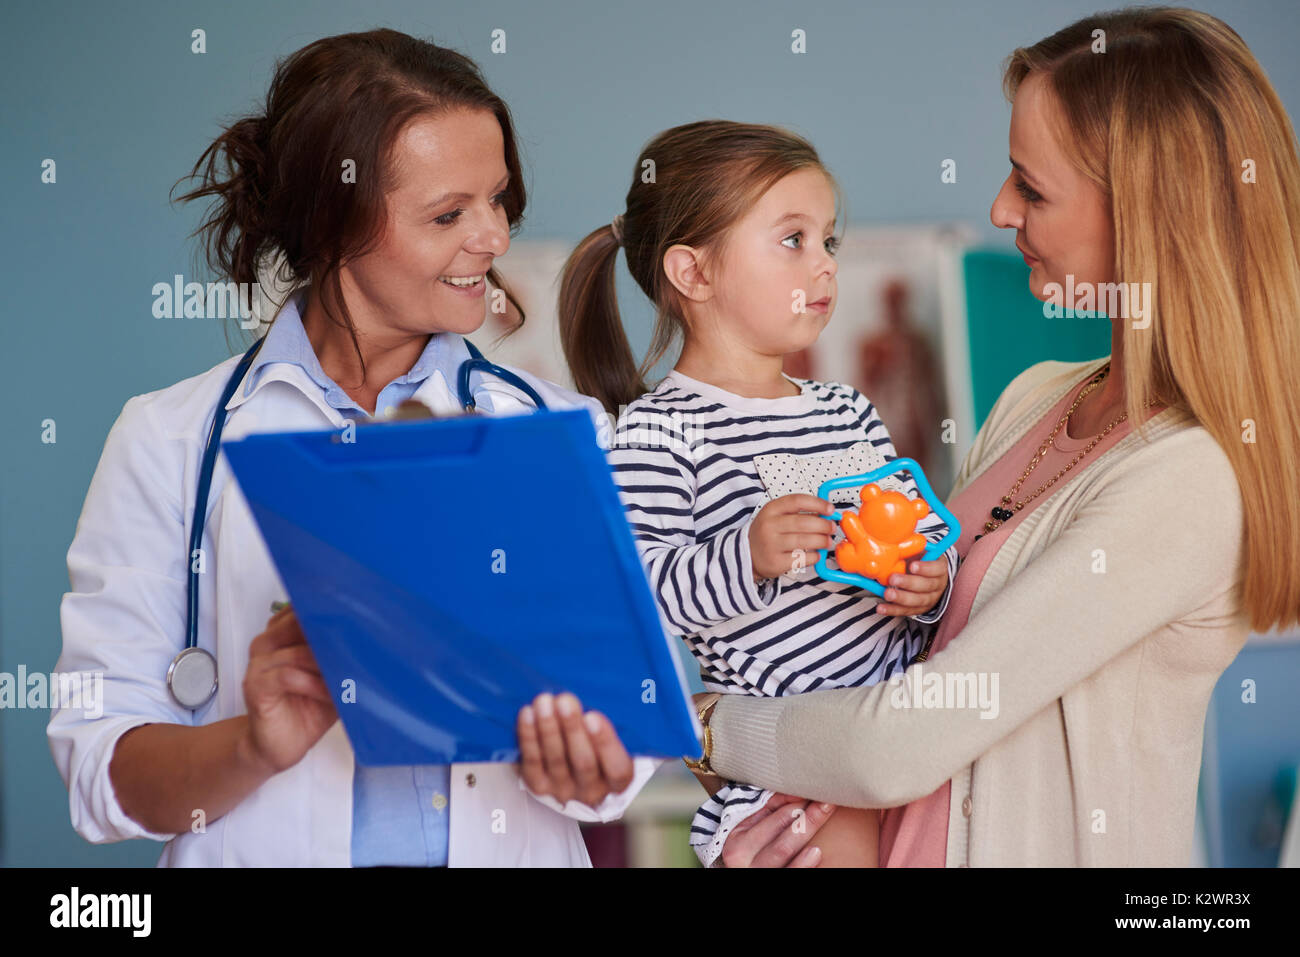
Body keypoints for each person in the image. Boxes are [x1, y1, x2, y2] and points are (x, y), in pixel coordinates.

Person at [681, 6, 1300, 867]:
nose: (1000, 208)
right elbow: (892, 673)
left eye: (1033, 187)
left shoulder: (1189, 478)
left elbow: (900, 740)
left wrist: (708, 724)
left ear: (1152, 217)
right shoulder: (1034, 400)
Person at [47, 28, 657, 867]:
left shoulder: (558, 432)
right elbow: (101, 770)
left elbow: (623, 744)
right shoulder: (169, 440)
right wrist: (254, 744)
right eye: (448, 214)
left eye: (498, 198)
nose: (494, 239)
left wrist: (585, 766)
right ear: (333, 223)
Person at [557, 120, 960, 867]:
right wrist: (746, 555)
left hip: (909, 737)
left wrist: (929, 584)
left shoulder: (846, 410)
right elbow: (635, 601)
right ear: (694, 273)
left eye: (829, 241)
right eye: (793, 239)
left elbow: (916, 534)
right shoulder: (656, 433)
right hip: (794, 776)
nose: (826, 265)